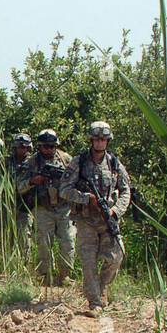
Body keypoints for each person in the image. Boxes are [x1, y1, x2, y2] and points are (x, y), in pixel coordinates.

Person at [60, 121, 130, 315]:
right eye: (97, 139)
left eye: (103, 139)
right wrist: (85, 199)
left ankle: (102, 287)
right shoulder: (79, 162)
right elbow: (64, 190)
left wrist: (116, 211)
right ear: (91, 140)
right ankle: (95, 302)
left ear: (108, 141)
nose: (100, 142)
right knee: (88, 261)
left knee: (116, 256)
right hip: (86, 220)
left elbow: (126, 191)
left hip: (108, 219)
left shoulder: (114, 163)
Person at [19, 129, 74, 285]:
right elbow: (19, 186)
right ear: (39, 146)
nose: (48, 149)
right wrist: (32, 181)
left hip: (64, 208)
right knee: (43, 243)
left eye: (51, 146)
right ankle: (45, 275)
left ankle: (64, 275)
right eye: (45, 146)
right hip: (42, 208)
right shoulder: (31, 163)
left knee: (68, 242)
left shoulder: (66, 159)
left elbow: (76, 181)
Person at [6, 133, 34, 244]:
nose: (23, 150)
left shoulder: (33, 162)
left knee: (24, 239)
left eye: (25, 147)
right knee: (6, 238)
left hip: (26, 207)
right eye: (20, 147)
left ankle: (24, 261)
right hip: (7, 206)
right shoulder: (6, 162)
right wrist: (11, 186)